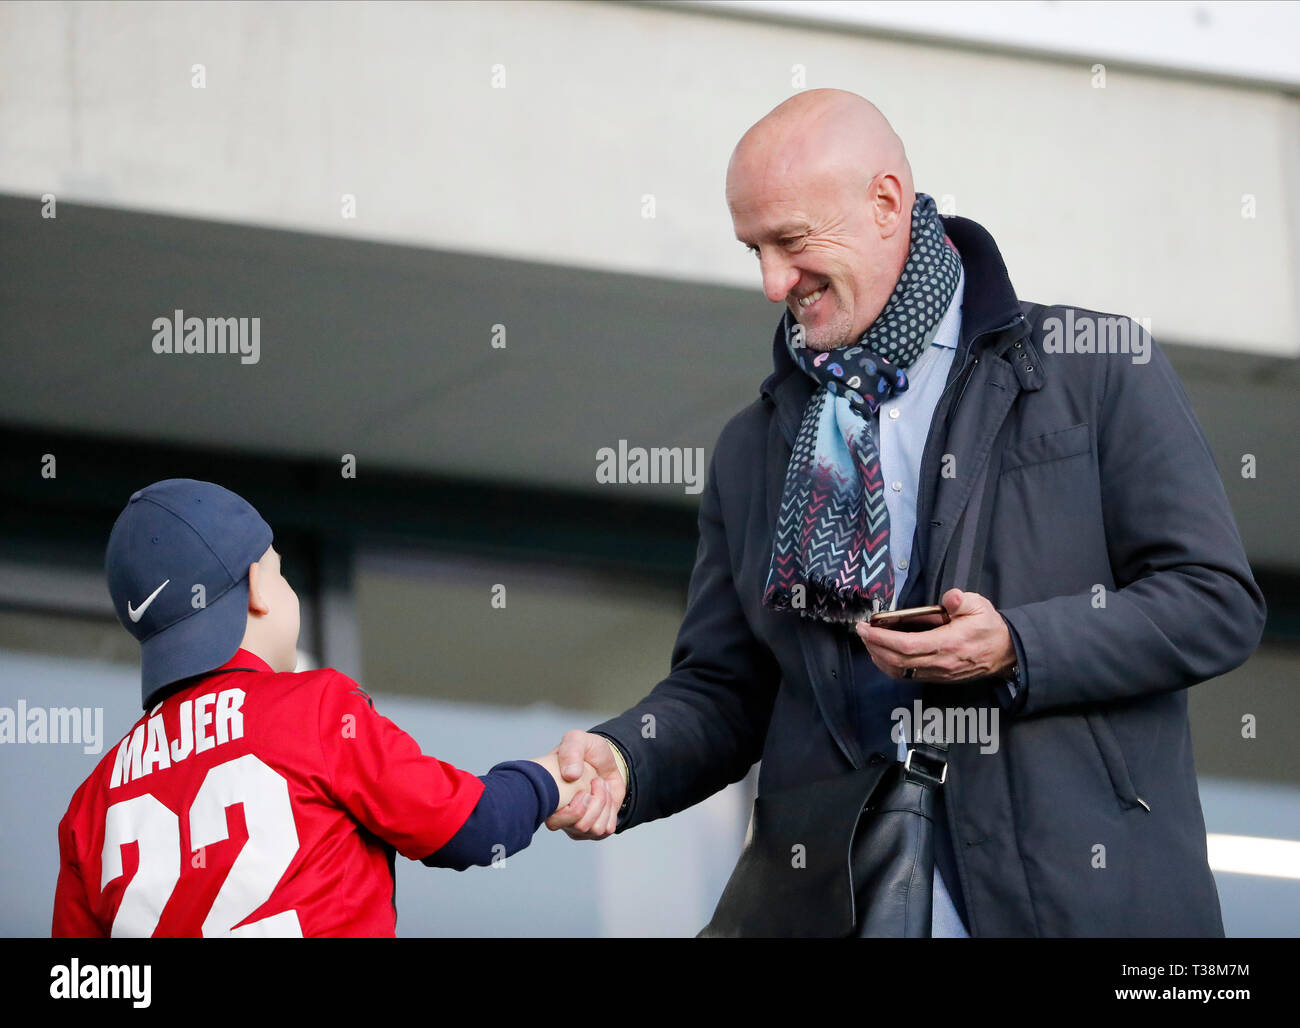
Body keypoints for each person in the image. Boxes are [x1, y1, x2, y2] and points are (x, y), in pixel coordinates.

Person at [545, 89, 1266, 937]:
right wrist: (629, 756)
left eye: (793, 242)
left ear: (886, 202)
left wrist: (1019, 645)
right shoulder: (755, 448)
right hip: (842, 904)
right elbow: (726, 690)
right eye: (756, 251)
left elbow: (1215, 601)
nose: (775, 282)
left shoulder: (1093, 370)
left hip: (1076, 903)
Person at [51, 478, 598, 937]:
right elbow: (473, 828)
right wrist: (547, 780)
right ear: (259, 588)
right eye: (279, 570)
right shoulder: (312, 708)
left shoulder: (90, 803)